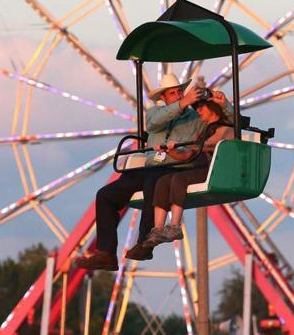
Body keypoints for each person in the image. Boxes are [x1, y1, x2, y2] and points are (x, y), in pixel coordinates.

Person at [74, 74, 218, 269]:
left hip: (174, 166)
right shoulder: (154, 114)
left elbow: (219, 118)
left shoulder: (194, 118)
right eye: (172, 93)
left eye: (179, 92)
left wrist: (219, 101)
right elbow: (153, 124)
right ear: (163, 98)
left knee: (154, 184)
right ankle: (106, 253)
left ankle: (145, 243)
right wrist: (183, 103)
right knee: (105, 195)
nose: (177, 96)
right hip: (149, 166)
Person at [140, 97, 235, 250]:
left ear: (212, 108)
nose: (197, 111)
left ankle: (175, 226)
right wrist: (171, 150)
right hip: (198, 167)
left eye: (201, 108)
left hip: (215, 171)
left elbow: (209, 144)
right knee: (163, 181)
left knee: (178, 179)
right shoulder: (202, 131)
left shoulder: (224, 128)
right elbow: (187, 155)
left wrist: (186, 144)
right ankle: (157, 229)